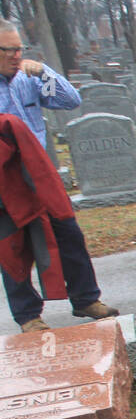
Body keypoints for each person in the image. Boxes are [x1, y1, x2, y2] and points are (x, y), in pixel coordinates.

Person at [0, 19, 117, 331]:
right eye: (8, 49)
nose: (16, 55)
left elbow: (68, 100)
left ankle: (85, 299)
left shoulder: (29, 80)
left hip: (39, 174)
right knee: (12, 245)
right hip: (5, 180)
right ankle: (28, 316)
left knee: (68, 234)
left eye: (19, 48)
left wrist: (44, 72)